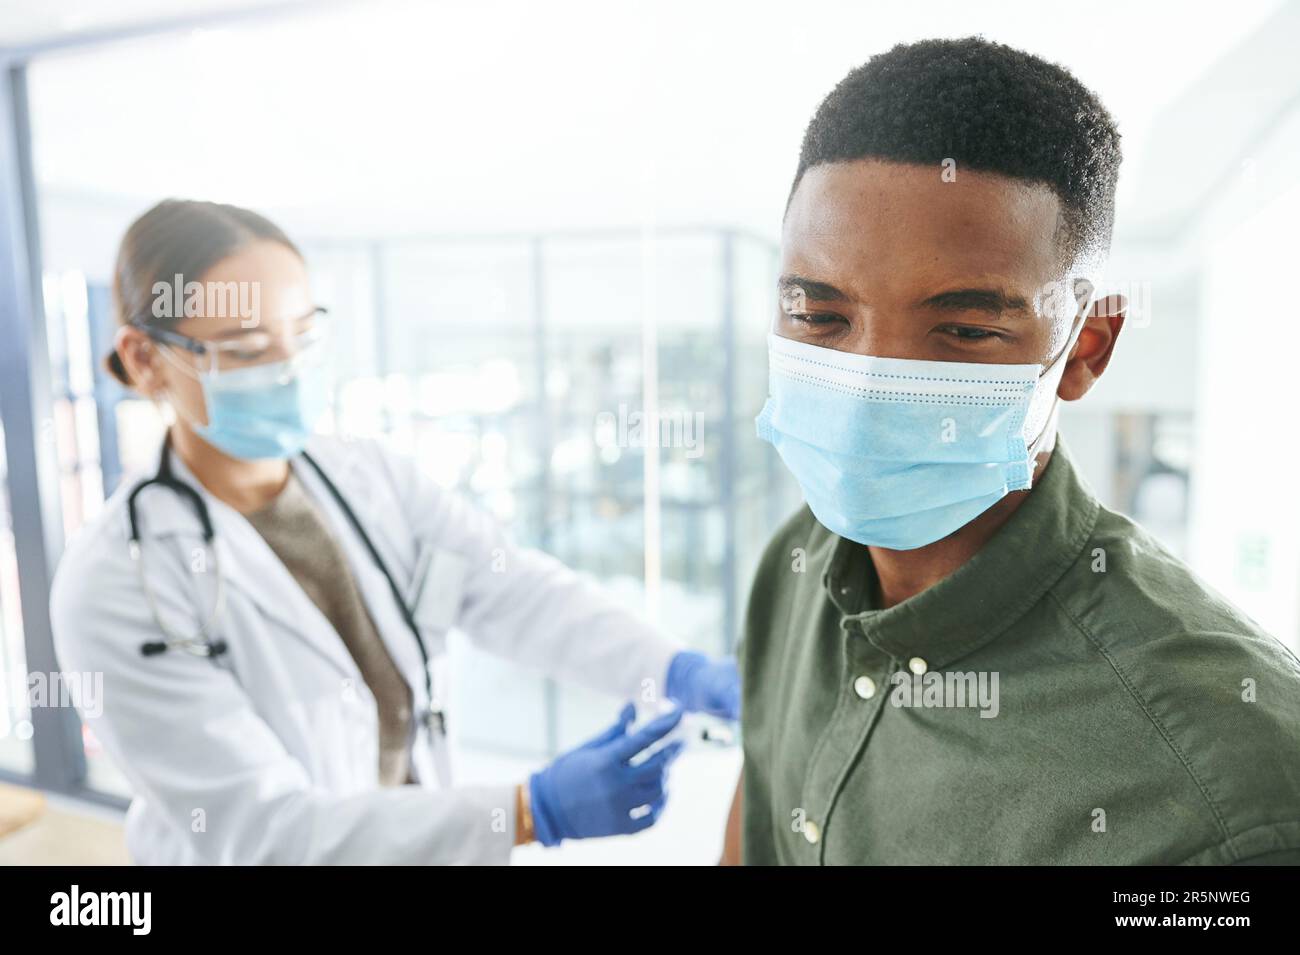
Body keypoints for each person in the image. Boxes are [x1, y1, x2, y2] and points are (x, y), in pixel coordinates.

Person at [722, 37, 1300, 865]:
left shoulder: (1229, 793)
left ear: (1086, 345)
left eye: (961, 330)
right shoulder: (796, 565)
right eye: (819, 317)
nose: (865, 389)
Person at [50, 199, 739, 865]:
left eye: (304, 333)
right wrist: (533, 811)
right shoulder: (115, 581)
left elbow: (512, 587)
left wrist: (673, 670)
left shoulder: (365, 477)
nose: (287, 369)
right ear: (144, 359)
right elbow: (268, 834)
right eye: (246, 347)